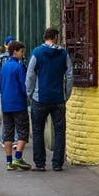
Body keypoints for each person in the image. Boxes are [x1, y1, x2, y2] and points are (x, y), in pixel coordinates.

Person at [26, 27, 73, 171]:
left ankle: (40, 164)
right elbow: (69, 75)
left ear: (44, 37)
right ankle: (57, 163)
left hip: (39, 98)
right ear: (55, 37)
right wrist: (66, 94)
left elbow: (30, 75)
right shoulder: (63, 54)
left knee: (38, 130)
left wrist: (30, 93)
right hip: (58, 98)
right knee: (60, 131)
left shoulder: (37, 53)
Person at [0, 40, 31, 171]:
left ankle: (9, 161)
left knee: (8, 134)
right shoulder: (18, 67)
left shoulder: (4, 66)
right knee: (23, 132)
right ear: (15, 51)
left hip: (6, 104)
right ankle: (18, 157)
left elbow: (0, 83)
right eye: (22, 51)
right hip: (18, 104)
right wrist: (28, 96)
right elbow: (24, 86)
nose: (23, 54)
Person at [0, 36, 16, 147]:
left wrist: (0, 88)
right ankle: (16, 140)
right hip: (16, 91)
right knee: (17, 116)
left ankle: (5, 139)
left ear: (5, 45)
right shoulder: (20, 57)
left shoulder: (1, 58)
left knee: (6, 116)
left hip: (5, 91)